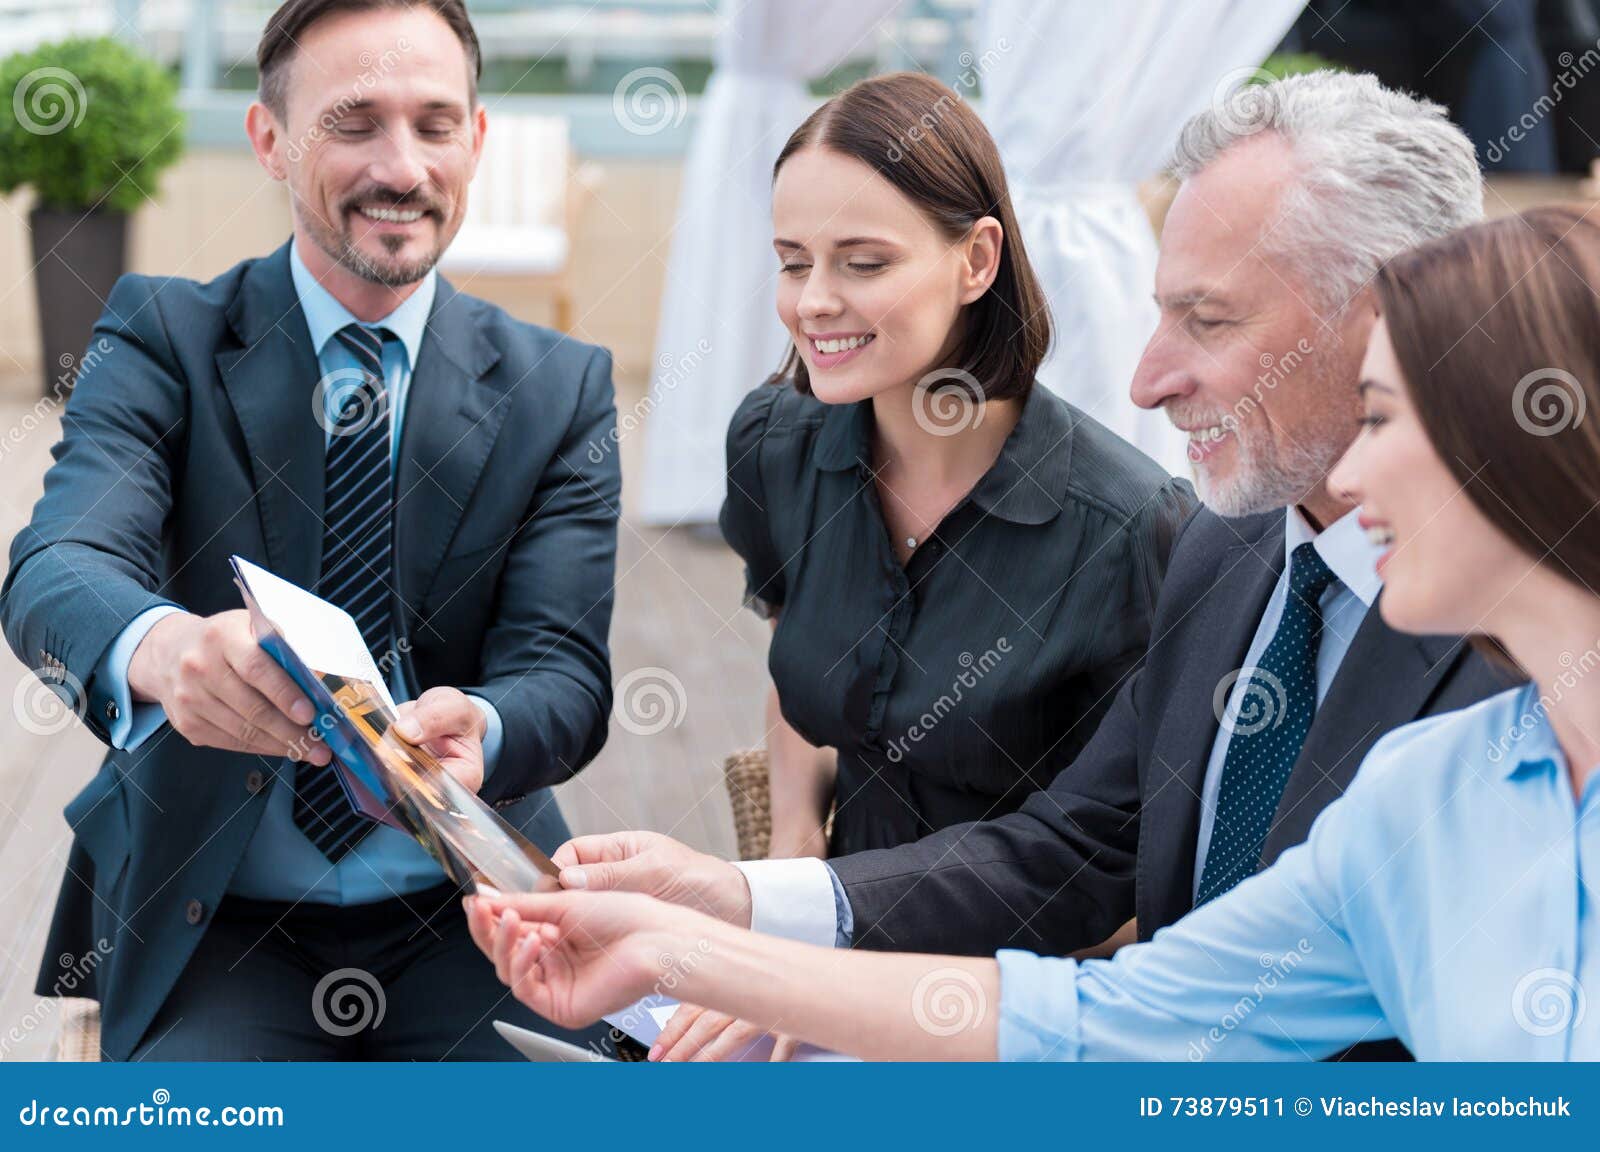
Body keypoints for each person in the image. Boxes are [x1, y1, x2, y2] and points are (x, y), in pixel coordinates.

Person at [491, 72, 1519, 1062]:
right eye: (791, 259)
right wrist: (742, 899)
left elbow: (1155, 994)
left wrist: (745, 963)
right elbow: (1070, 849)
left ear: (1396, 322)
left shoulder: (1521, 647)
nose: (1145, 380)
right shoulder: (1231, 548)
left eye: (1207, 319)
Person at [0, 0, 618, 1060]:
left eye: (433, 124)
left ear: (475, 139)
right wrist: (170, 648)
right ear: (270, 141)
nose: (402, 166)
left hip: (478, 919)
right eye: (354, 122)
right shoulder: (163, 337)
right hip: (216, 920)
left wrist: (487, 725)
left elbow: (563, 671)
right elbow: (57, 565)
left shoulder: (560, 388)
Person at [720, 71, 1193, 864]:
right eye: (795, 262)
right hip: (829, 929)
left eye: (864, 263)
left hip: (1026, 966)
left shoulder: (1129, 531)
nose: (813, 302)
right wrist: (793, 847)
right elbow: (793, 651)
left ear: (977, 260)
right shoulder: (775, 449)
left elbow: (1138, 857)